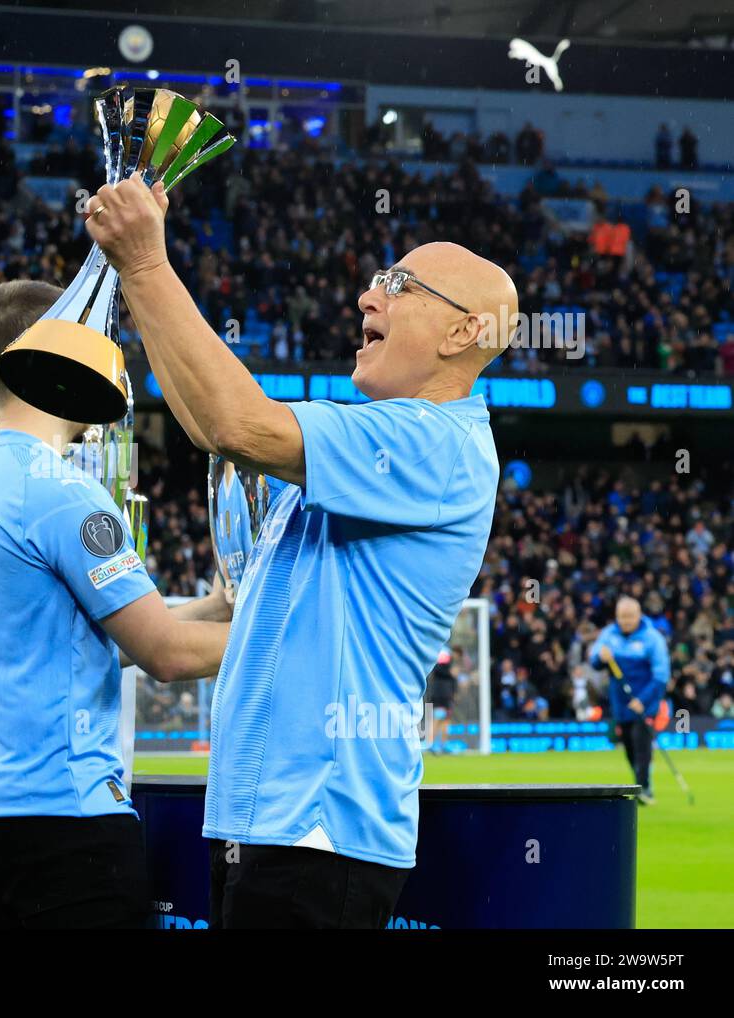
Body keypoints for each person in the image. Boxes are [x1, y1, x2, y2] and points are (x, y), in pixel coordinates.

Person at [86, 174, 511, 929]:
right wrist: (131, 270)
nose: (366, 299)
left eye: (399, 285)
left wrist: (149, 263)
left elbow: (236, 426)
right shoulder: (375, 448)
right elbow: (207, 425)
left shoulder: (434, 444)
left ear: (460, 334)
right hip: (271, 823)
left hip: (321, 833)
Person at [0, 279, 232, 930]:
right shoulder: (63, 492)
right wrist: (293, 634)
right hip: (65, 828)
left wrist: (213, 612)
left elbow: (65, 647)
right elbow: (166, 656)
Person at [588, 596, 670, 804]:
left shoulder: (652, 638)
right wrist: (600, 658)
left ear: (638, 614)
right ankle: (640, 779)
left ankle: (644, 788)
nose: (625, 620)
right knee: (628, 744)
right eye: (622, 616)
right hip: (620, 700)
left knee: (641, 740)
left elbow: (661, 676)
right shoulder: (608, 635)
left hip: (645, 700)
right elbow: (594, 661)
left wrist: (643, 700)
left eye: (629, 616)